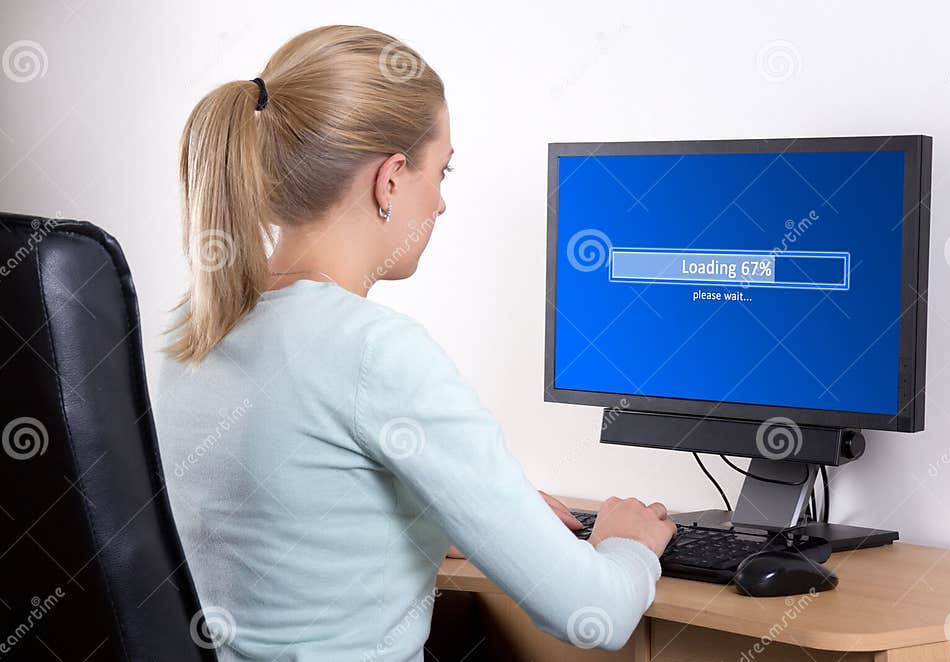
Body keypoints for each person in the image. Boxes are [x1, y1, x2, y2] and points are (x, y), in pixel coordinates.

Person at [155, 24, 677, 661]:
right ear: (392, 179)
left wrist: (440, 515)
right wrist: (626, 542)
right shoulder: (374, 351)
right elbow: (593, 615)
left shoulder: (197, 323)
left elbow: (291, 516)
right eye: (442, 170)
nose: (443, 203)